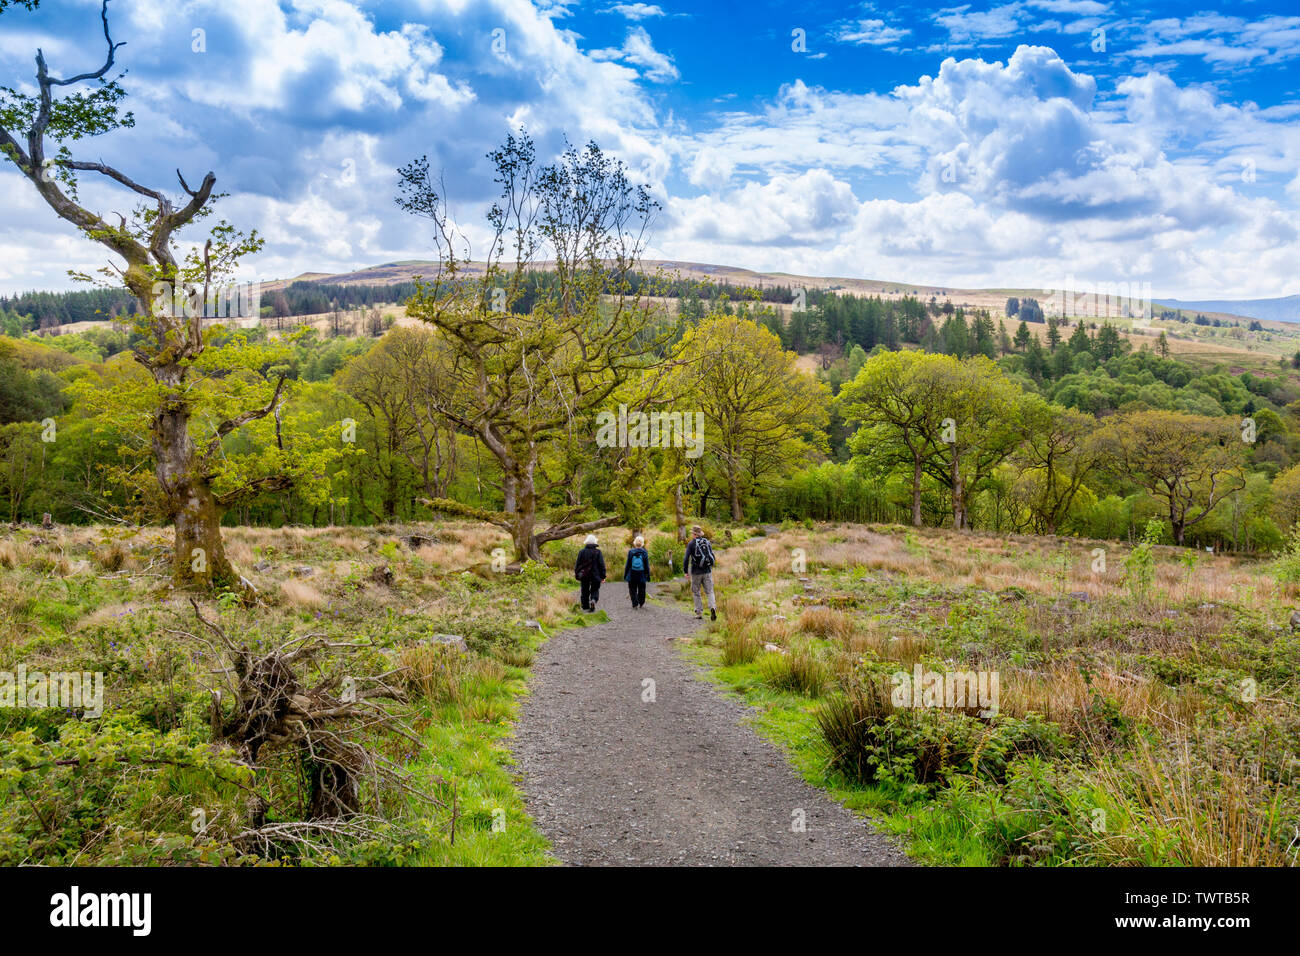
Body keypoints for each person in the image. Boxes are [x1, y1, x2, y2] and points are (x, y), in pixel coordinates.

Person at [682, 525, 717, 621]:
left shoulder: (691, 544)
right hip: (707, 571)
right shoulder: (707, 542)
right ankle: (712, 607)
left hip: (696, 572)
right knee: (710, 591)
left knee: (696, 592)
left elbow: (686, 559)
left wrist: (686, 571)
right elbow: (712, 555)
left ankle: (699, 613)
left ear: (694, 534)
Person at [574, 534, 606, 612]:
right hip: (596, 575)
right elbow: (601, 564)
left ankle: (585, 606)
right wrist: (603, 576)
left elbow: (577, 564)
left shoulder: (582, 552)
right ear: (595, 542)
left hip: (584, 575)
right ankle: (593, 600)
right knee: (595, 589)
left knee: (584, 590)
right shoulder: (598, 552)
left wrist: (577, 575)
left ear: (586, 542)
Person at [623, 535, 651, 609]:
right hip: (641, 574)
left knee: (632, 589)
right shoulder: (644, 552)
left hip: (632, 573)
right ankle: (641, 603)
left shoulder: (631, 552)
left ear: (635, 543)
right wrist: (648, 575)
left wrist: (625, 574)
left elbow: (628, 564)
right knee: (642, 589)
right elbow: (646, 565)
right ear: (642, 544)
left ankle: (635, 604)